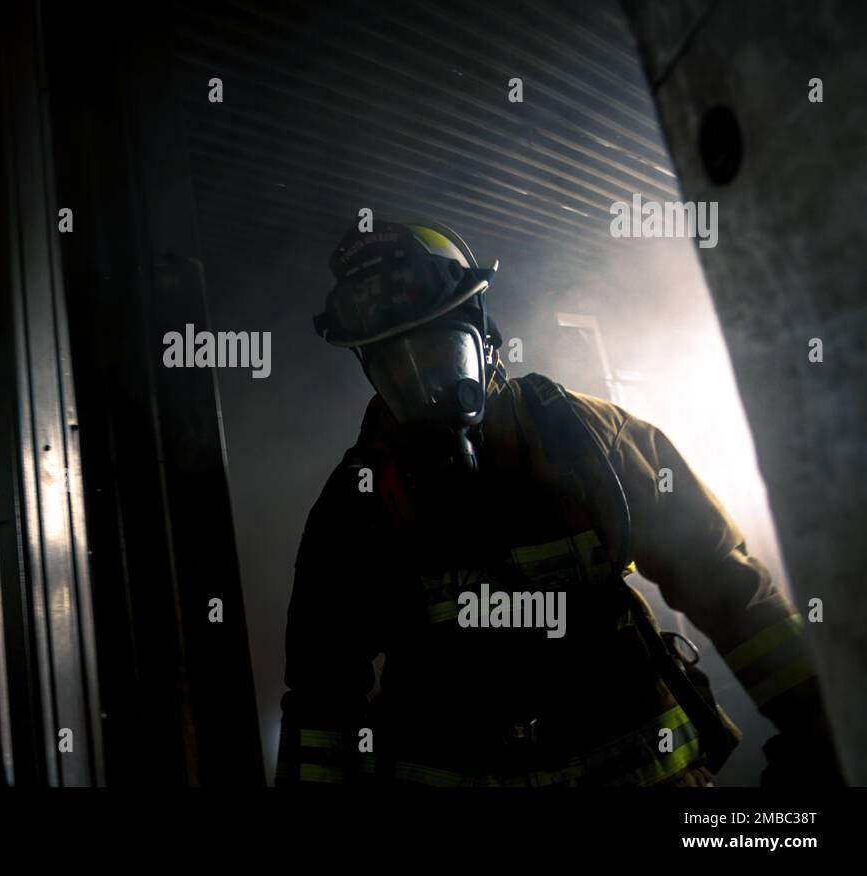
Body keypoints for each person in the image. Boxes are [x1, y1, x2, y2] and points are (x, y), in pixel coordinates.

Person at [276, 221, 841, 786]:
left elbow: (730, 590)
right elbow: (322, 693)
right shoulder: (358, 502)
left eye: (435, 350)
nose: (419, 381)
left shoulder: (590, 439)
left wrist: (825, 729)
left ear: (482, 334)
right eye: (393, 366)